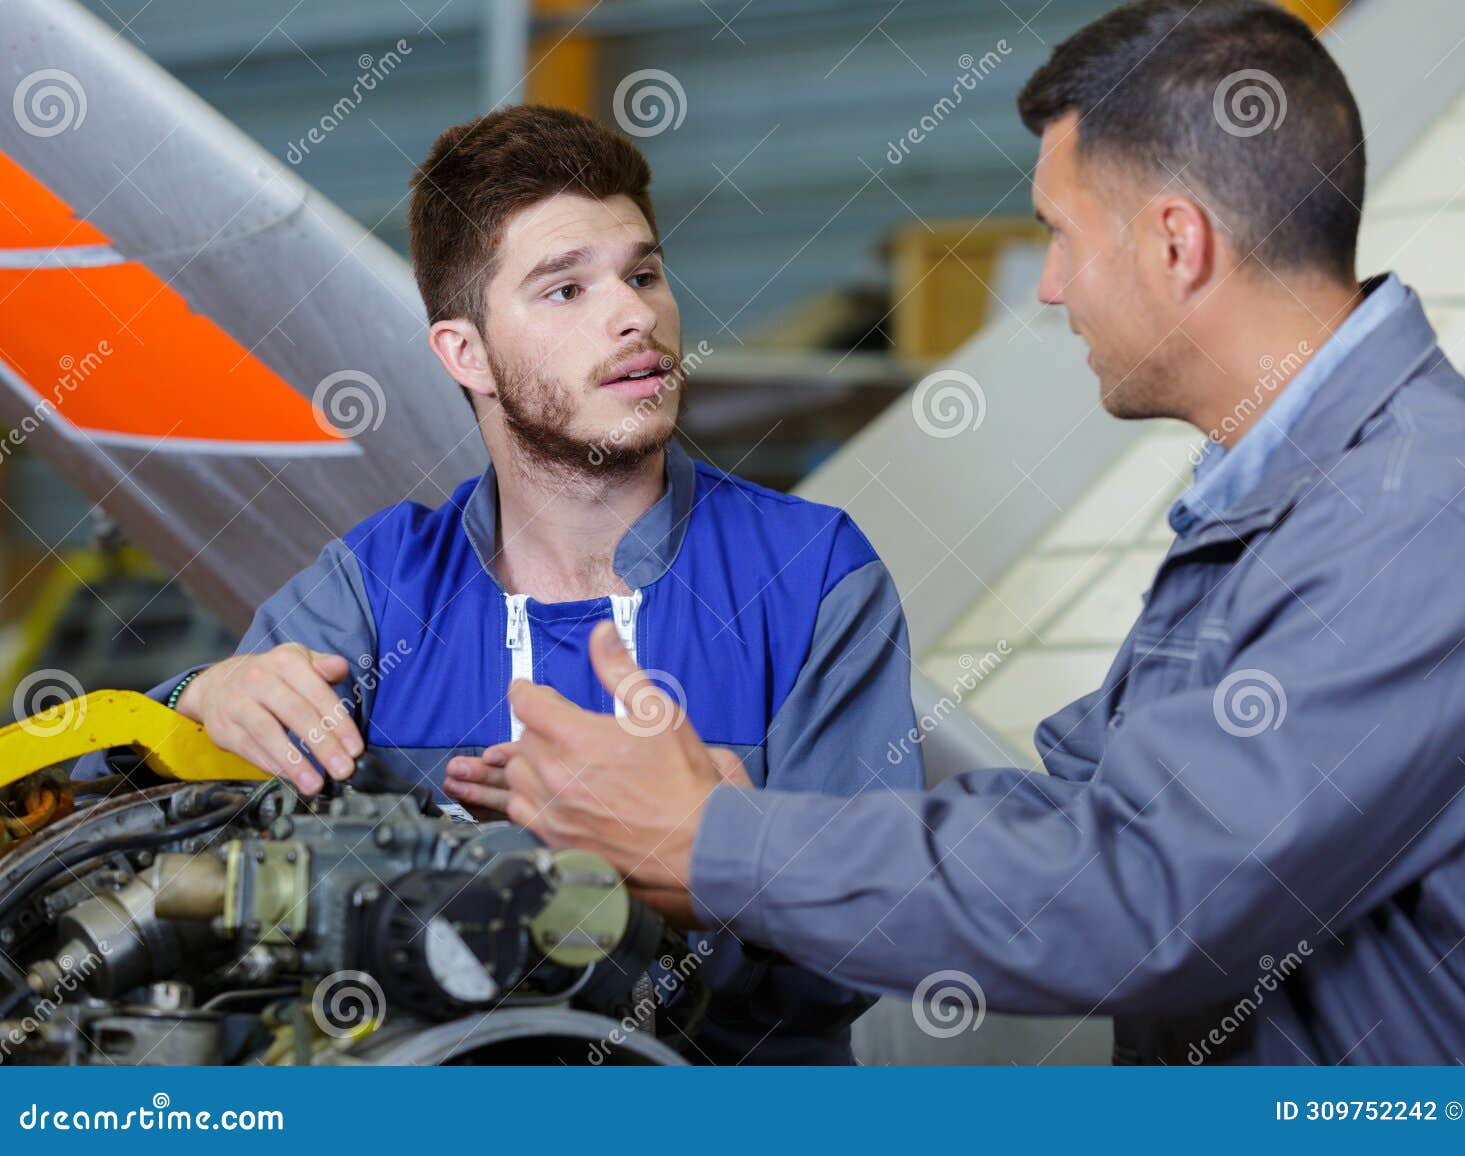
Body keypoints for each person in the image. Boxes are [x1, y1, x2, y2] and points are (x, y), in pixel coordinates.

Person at [465, 0, 1465, 1064]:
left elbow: (1142, 898)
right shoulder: (1289, 492)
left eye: (1061, 233)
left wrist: (710, 843)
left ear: (1176, 244)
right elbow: (1081, 813)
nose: (1049, 286)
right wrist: (745, 821)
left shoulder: (1414, 517)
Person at [77, 105, 922, 1065]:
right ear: (464, 353)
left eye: (643, 274)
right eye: (565, 290)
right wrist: (200, 699)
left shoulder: (811, 577)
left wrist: (716, 854)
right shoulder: (376, 588)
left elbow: (877, 941)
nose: (634, 314)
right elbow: (111, 834)